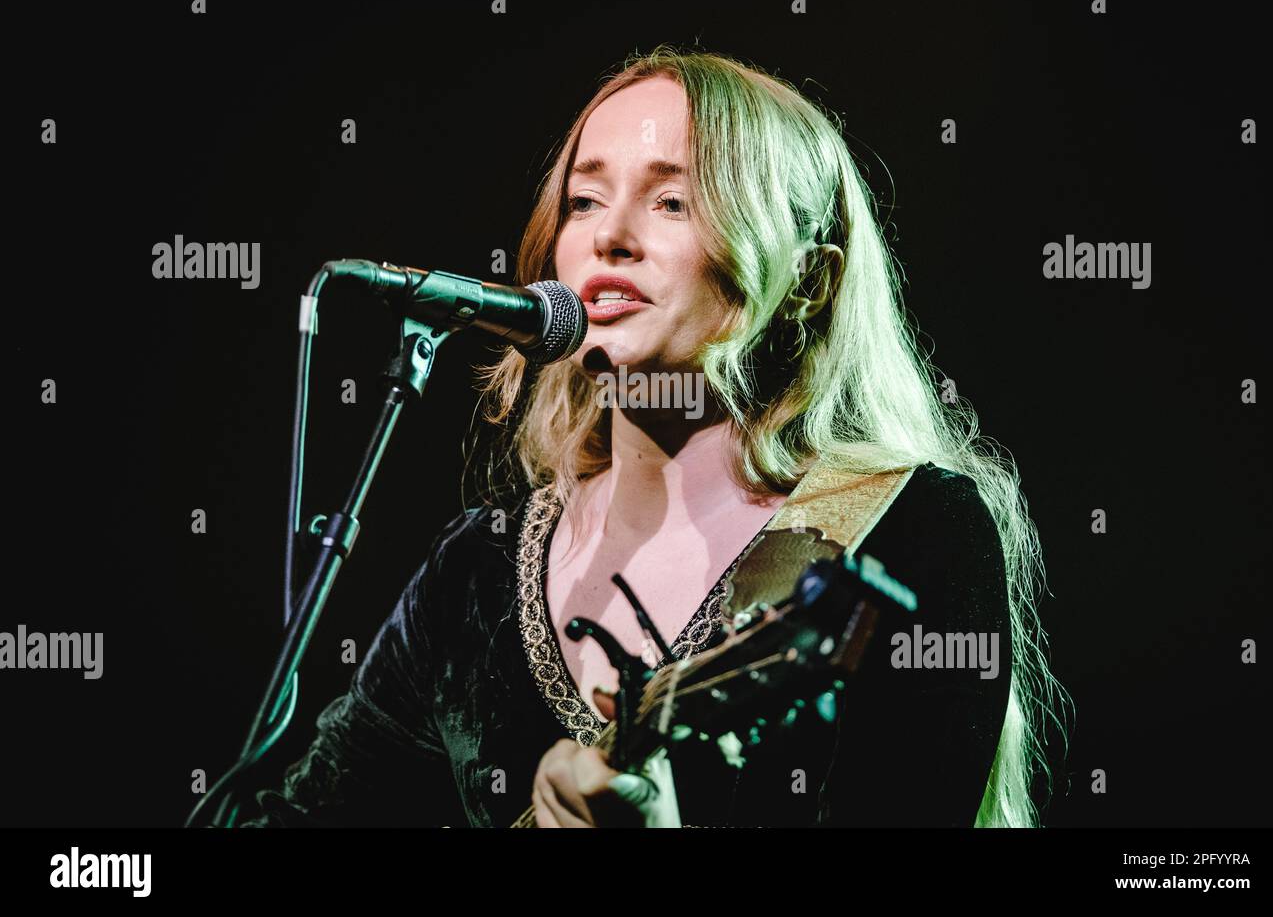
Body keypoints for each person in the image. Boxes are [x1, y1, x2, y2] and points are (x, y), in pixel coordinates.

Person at [239, 45, 1069, 829]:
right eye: (584, 201)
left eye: (672, 200)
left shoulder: (906, 533)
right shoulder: (477, 569)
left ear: (809, 283)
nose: (609, 236)